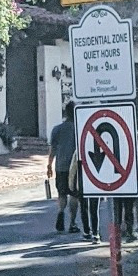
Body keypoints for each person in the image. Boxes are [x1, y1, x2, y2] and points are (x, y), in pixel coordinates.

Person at [47, 102, 80, 233]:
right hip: (75, 167)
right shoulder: (79, 129)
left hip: (60, 165)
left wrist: (49, 165)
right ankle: (72, 222)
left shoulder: (57, 129)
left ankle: (61, 211)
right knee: (74, 194)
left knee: (61, 193)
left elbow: (52, 149)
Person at [69, 148, 101, 243]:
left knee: (84, 208)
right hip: (96, 183)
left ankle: (87, 232)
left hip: (82, 183)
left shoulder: (79, 147)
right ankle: (95, 233)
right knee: (94, 209)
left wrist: (71, 185)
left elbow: (73, 168)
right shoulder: (99, 147)